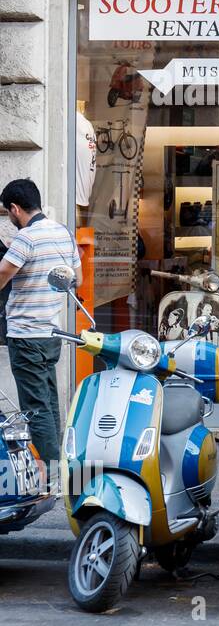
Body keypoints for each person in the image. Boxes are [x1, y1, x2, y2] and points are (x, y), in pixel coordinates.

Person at [0, 179, 82, 476]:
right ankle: (58, 466)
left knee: (36, 409)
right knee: (49, 402)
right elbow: (76, 280)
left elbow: (2, 276)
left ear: (15, 208)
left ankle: (49, 475)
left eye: (8, 213)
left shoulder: (27, 238)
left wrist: (20, 262)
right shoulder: (63, 233)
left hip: (26, 335)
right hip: (50, 333)